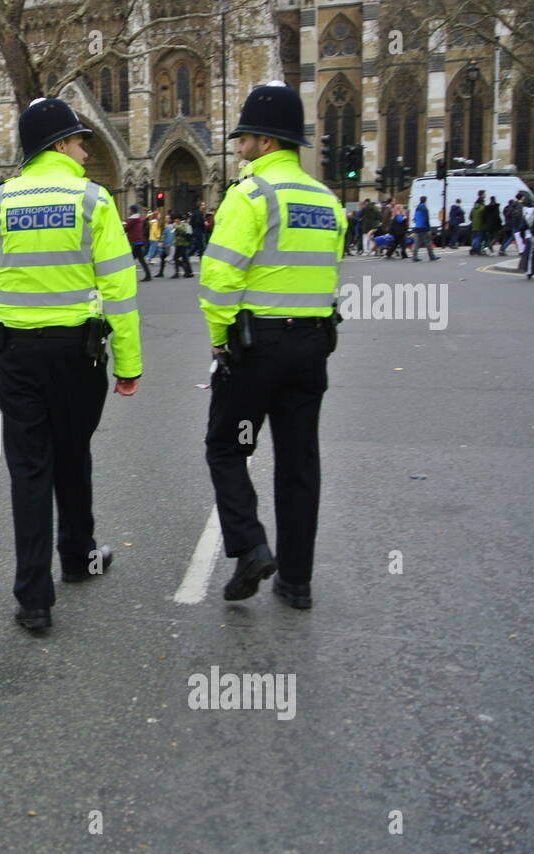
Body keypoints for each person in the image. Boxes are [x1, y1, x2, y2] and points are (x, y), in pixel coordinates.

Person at [0, 96, 142, 632]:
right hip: (78, 354)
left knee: (28, 472)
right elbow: (119, 287)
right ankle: (78, 557)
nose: (83, 149)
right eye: (77, 140)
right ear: (59, 144)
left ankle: (34, 598)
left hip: (18, 354)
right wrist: (129, 364)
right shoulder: (94, 201)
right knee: (73, 455)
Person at [198, 82, 345, 611]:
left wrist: (221, 344)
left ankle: (251, 544)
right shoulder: (328, 201)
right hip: (312, 347)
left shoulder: (251, 195)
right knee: (299, 460)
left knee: (226, 446)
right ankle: (297, 582)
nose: (238, 147)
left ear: (263, 141)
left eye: (243, 139)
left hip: (257, 348)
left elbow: (217, 281)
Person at [123, 204, 151, 281]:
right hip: (139, 241)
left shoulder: (133, 220)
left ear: (132, 211)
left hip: (136, 241)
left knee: (130, 260)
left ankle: (127, 276)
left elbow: (126, 228)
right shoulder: (138, 219)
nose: (129, 211)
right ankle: (148, 275)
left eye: (129, 210)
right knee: (140, 259)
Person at [411, 196, 438, 262]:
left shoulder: (417, 207)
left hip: (417, 228)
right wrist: (429, 228)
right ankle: (431, 256)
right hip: (424, 228)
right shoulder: (424, 208)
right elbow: (426, 219)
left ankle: (414, 256)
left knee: (417, 243)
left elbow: (415, 218)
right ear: (425, 200)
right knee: (428, 242)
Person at [156, 212, 173, 277]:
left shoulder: (168, 227)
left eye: (167, 218)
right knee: (164, 258)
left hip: (168, 245)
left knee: (174, 259)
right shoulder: (171, 227)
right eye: (165, 218)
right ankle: (161, 272)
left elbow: (166, 236)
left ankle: (186, 270)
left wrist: (162, 243)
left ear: (170, 219)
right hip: (169, 245)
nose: (165, 219)